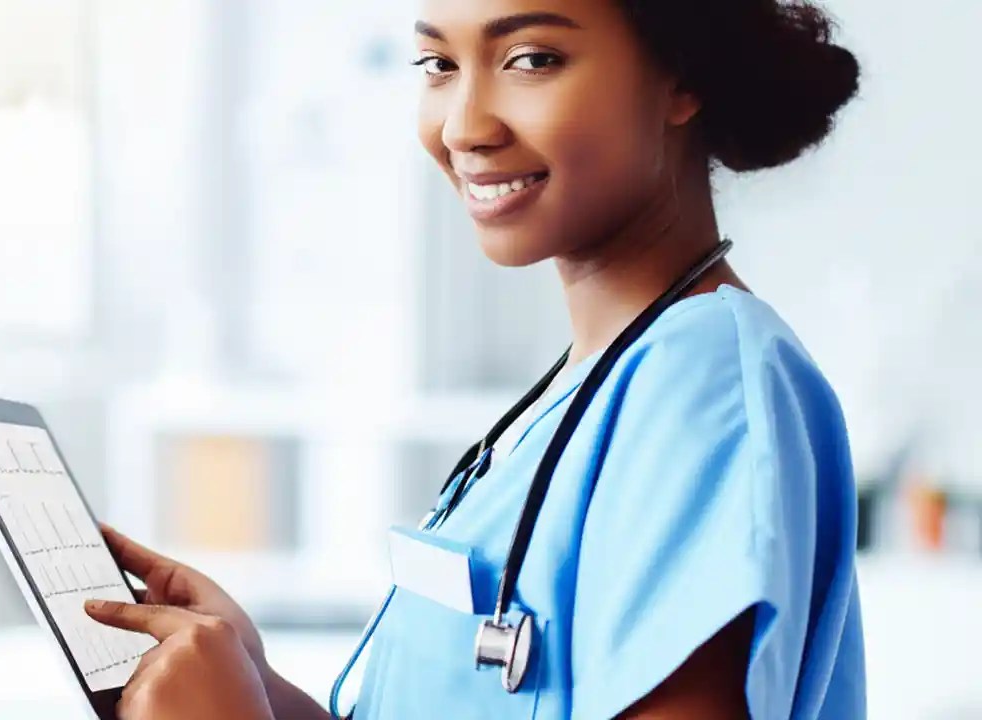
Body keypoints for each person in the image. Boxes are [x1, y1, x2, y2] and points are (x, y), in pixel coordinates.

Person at [82, 0, 866, 717]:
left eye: (531, 60)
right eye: (439, 65)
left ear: (683, 77)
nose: (463, 127)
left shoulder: (704, 383)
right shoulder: (589, 385)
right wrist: (257, 687)